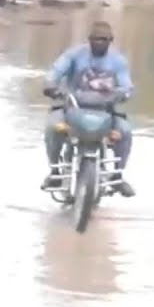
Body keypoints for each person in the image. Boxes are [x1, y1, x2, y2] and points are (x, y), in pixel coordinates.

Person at [40, 20, 136, 197]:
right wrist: (50, 85)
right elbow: (55, 71)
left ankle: (117, 175)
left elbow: (126, 85)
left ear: (110, 40)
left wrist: (124, 93)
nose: (99, 43)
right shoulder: (74, 55)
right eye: (96, 39)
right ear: (89, 39)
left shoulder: (119, 60)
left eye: (104, 39)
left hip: (105, 110)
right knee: (52, 127)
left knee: (125, 132)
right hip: (73, 107)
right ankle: (55, 172)